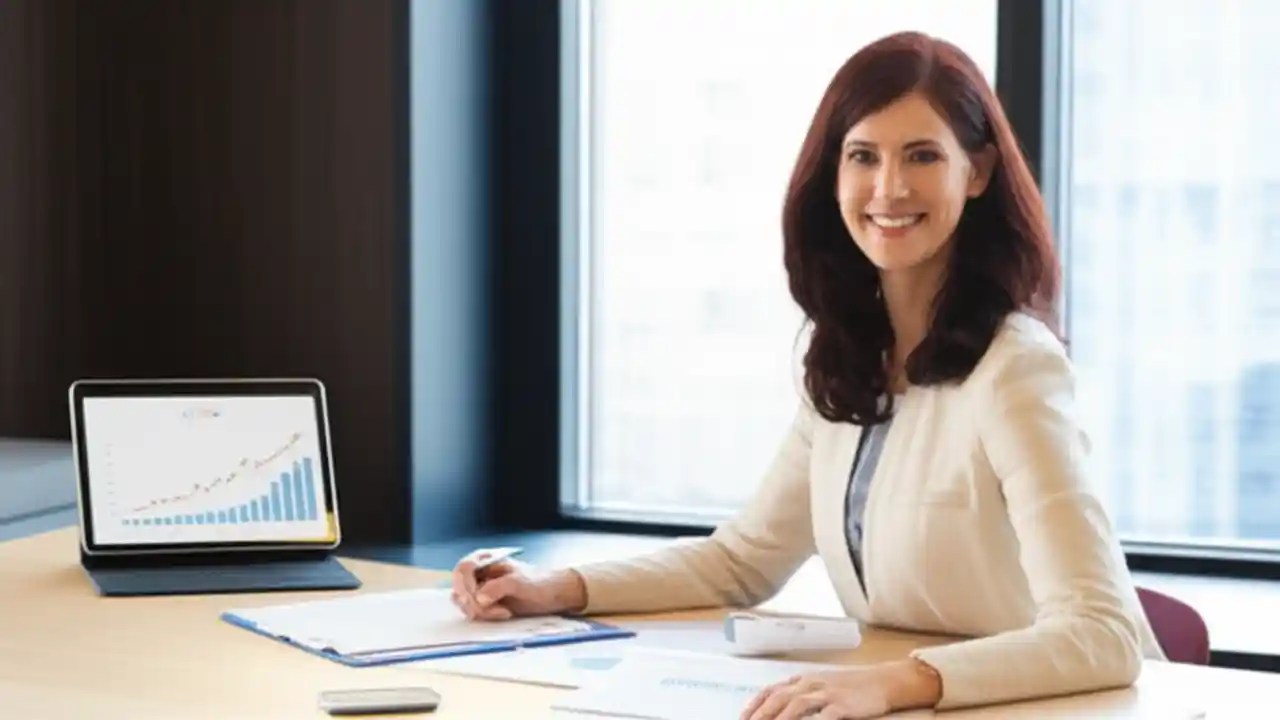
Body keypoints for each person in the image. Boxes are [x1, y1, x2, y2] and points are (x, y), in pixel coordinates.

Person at [450, 30, 1164, 719]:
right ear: (834, 175)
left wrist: (892, 684)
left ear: (974, 173)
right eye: (862, 156)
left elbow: (1102, 633)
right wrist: (556, 589)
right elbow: (739, 564)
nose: (888, 187)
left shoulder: (1014, 367)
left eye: (921, 156)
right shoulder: (851, 359)